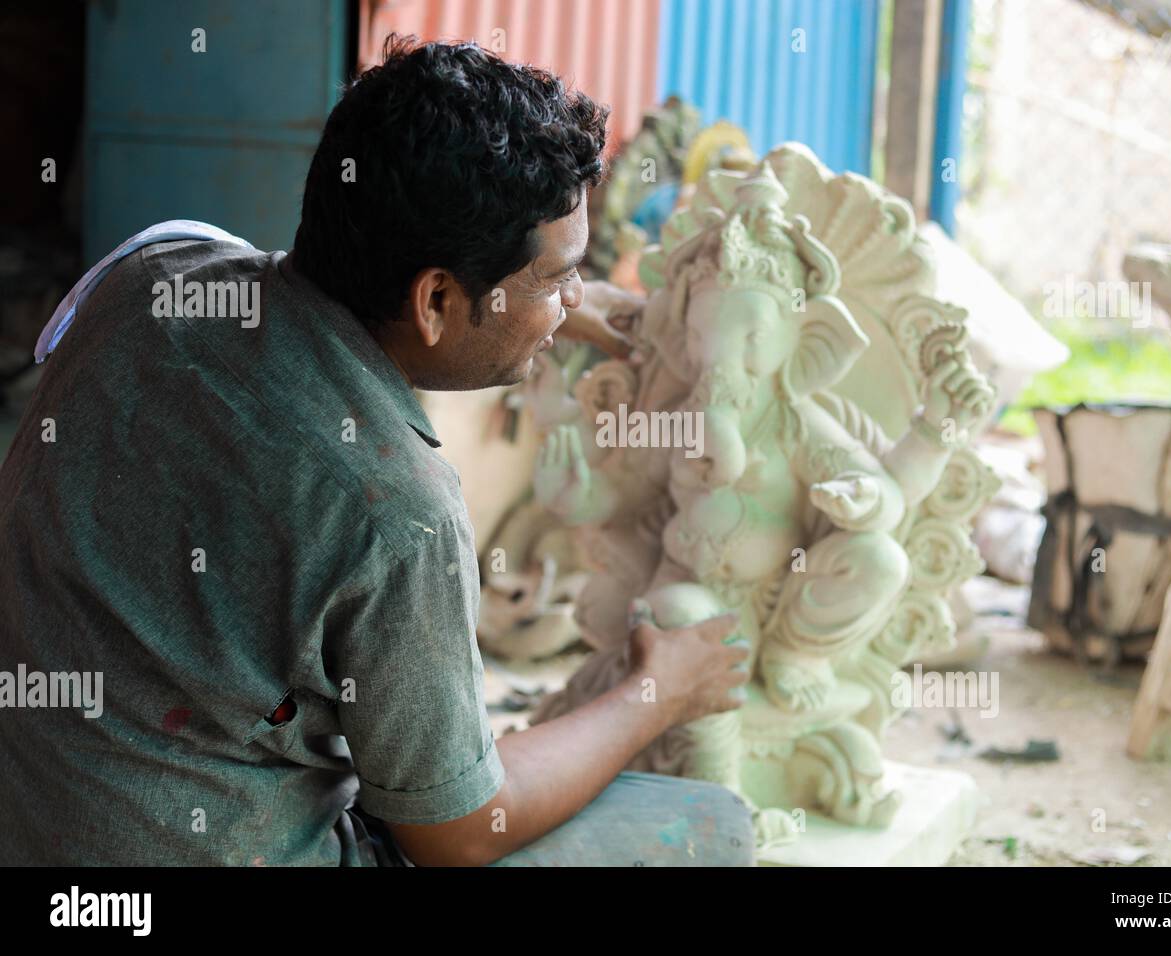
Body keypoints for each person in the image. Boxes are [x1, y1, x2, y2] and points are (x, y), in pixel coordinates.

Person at [0, 37, 752, 866]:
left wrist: (536, 304)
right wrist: (656, 693)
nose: (574, 297)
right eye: (558, 278)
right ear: (435, 299)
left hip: (39, 816)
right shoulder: (397, 510)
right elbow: (460, 832)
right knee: (705, 822)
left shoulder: (155, 272)